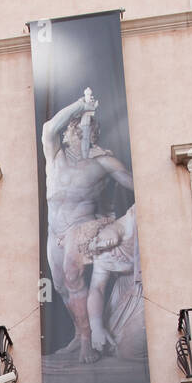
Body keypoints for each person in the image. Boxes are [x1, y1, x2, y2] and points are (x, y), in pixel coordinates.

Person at [41, 88, 134, 362]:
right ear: (68, 133)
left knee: (72, 274)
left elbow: (133, 184)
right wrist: (81, 106)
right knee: (59, 285)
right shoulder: (55, 156)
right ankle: (79, 334)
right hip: (54, 231)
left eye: (89, 129)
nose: (82, 132)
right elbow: (48, 128)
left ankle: (87, 342)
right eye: (77, 128)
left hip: (83, 227)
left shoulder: (102, 161)